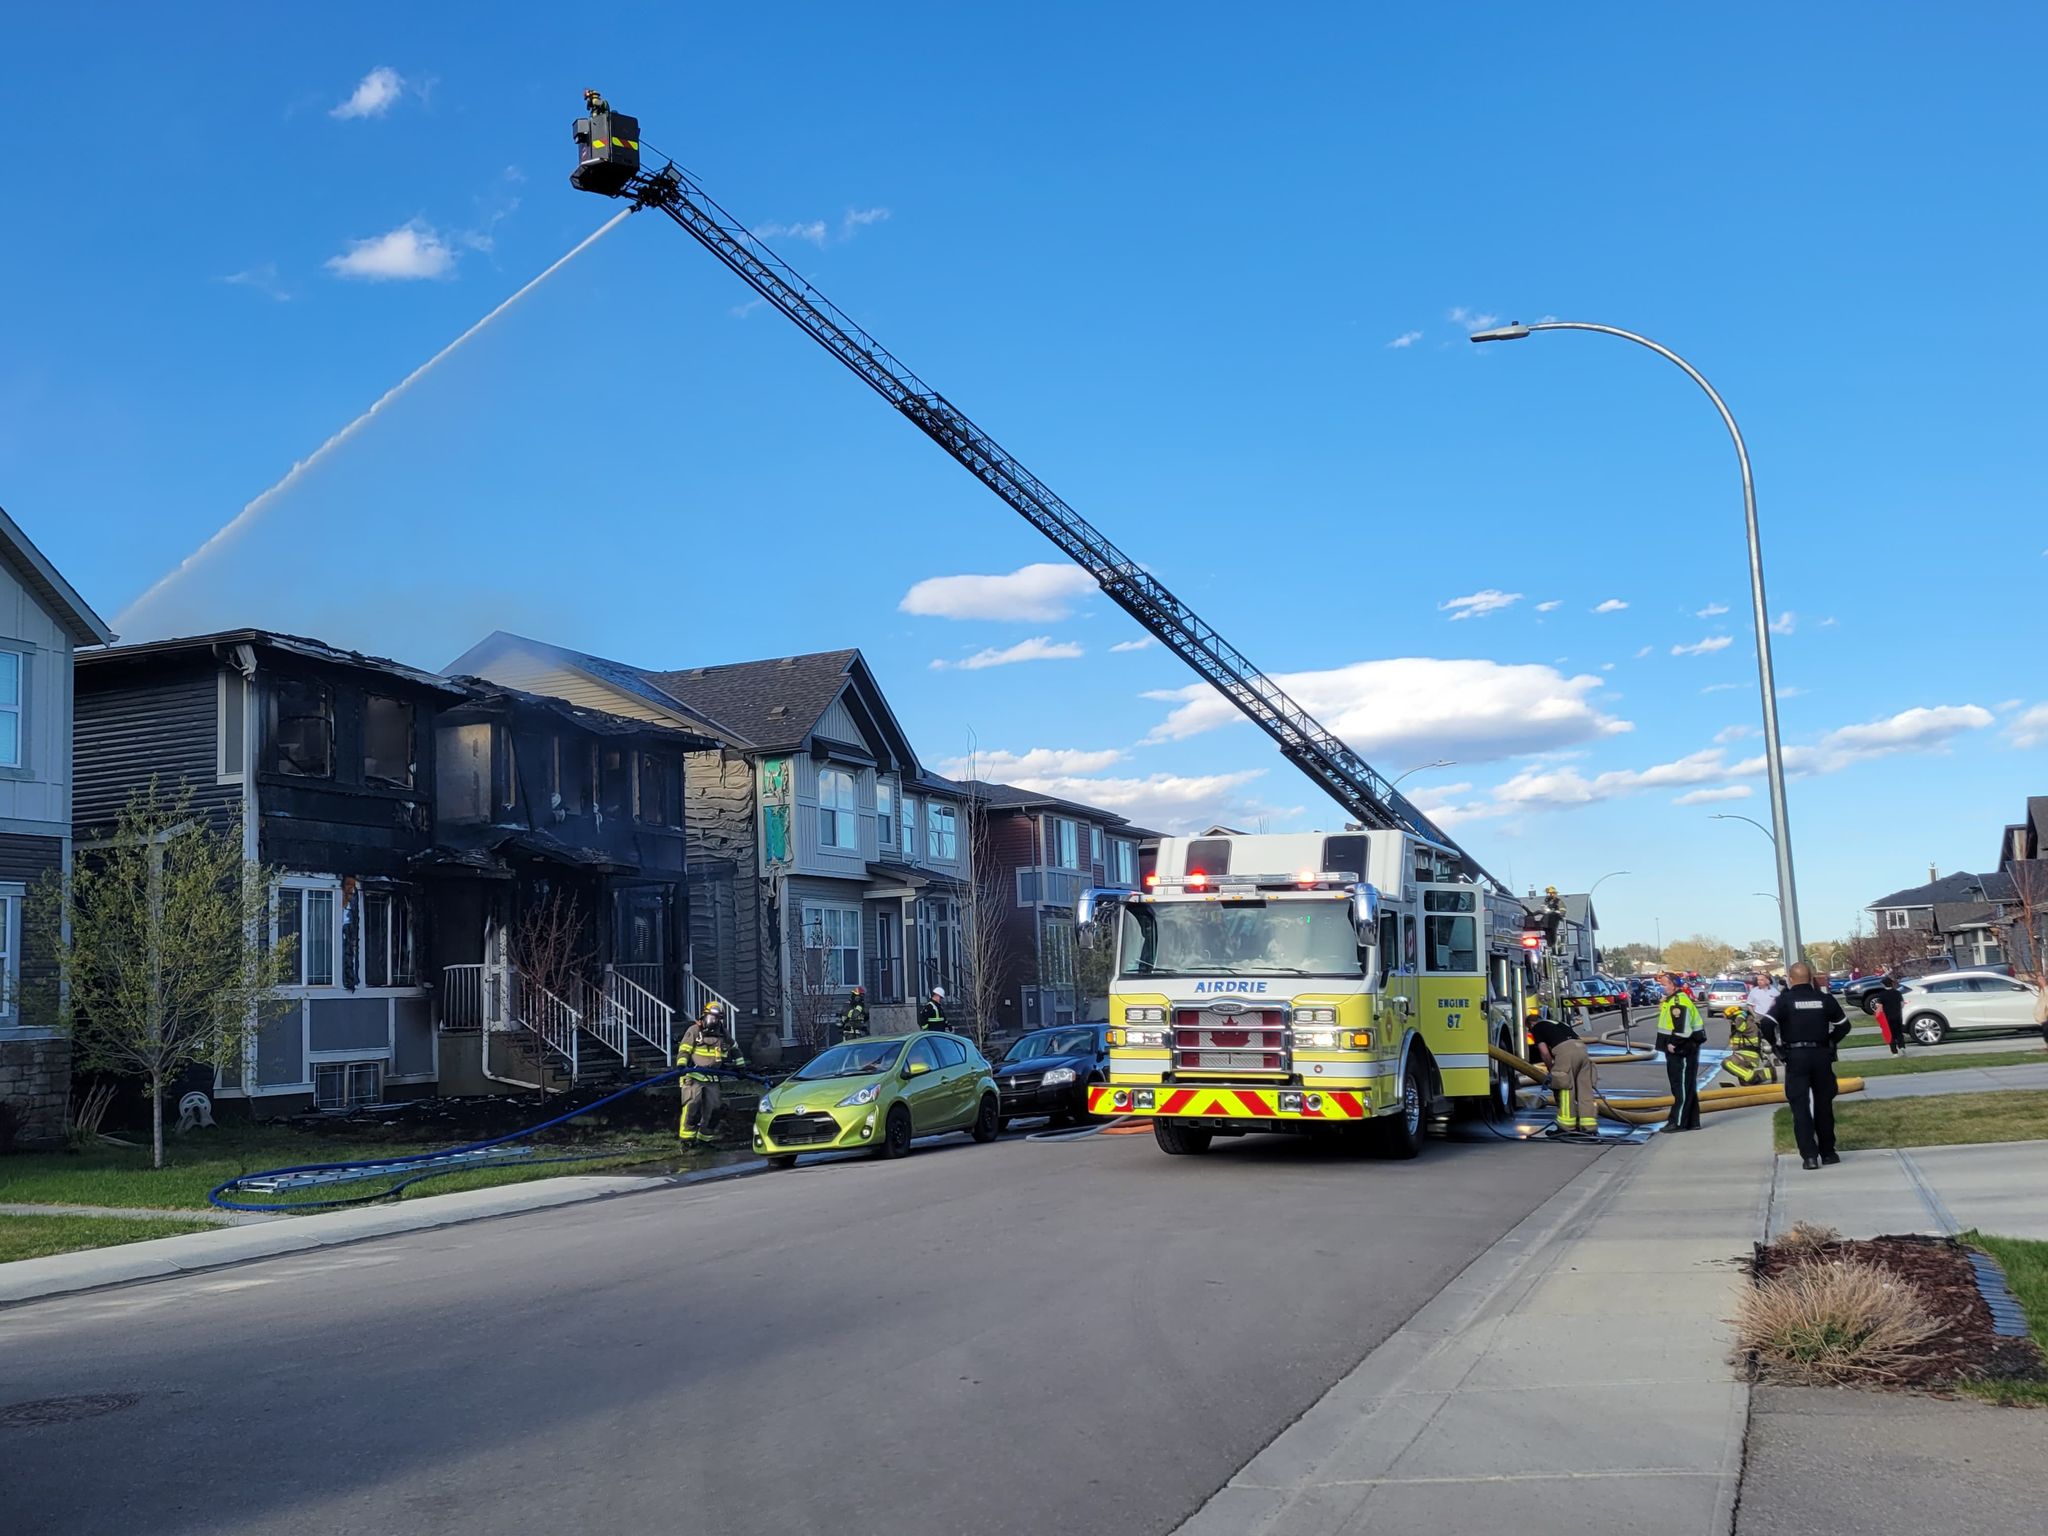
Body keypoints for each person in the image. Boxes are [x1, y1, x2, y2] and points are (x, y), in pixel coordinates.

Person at [1762, 961, 1852, 1170]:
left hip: (1796, 1056)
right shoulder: (1824, 999)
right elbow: (1844, 1026)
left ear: (1790, 979)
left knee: (1800, 1107)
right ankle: (1828, 1153)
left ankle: (1809, 1157)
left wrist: (1776, 1047)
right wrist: (1831, 1041)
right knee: (1824, 1105)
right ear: (1811, 978)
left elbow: (1766, 1024)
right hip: (1821, 1055)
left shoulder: (1784, 1001)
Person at [676, 1001, 746, 1144]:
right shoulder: (694, 1030)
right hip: (694, 1077)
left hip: (712, 1079)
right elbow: (684, 1049)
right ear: (704, 1015)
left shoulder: (723, 1033)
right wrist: (682, 1064)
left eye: (717, 1018)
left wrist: (741, 1067)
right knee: (692, 1106)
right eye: (711, 1017)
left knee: (714, 1111)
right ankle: (687, 1140)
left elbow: (735, 1049)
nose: (713, 1021)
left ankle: (704, 1140)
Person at [1529, 1007, 1599, 1140]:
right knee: (1585, 1090)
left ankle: (1567, 1127)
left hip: (1565, 1052)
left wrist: (1551, 1070)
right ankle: (1589, 1128)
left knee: (1566, 1090)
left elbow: (1544, 1053)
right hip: (1582, 1050)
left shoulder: (1537, 1027)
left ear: (1531, 1024)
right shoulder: (1558, 1023)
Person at [1655, 971, 1707, 1131]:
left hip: (1682, 1049)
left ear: (1673, 985)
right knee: (1687, 1086)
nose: (1662, 988)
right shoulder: (1673, 1000)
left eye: (1664, 984)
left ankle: (1678, 1122)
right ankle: (1692, 1121)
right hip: (1684, 1048)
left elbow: (1683, 1028)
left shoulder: (1678, 1002)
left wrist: (1674, 1043)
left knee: (1681, 1086)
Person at [1869, 973, 1906, 1054]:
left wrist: (1877, 1014)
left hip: (1887, 1017)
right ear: (1891, 983)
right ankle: (1902, 1046)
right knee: (1899, 1032)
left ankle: (1894, 1051)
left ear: (1883, 985)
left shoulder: (1881, 994)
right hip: (1898, 1016)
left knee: (1890, 1033)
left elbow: (1879, 1007)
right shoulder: (1897, 993)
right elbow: (1902, 1004)